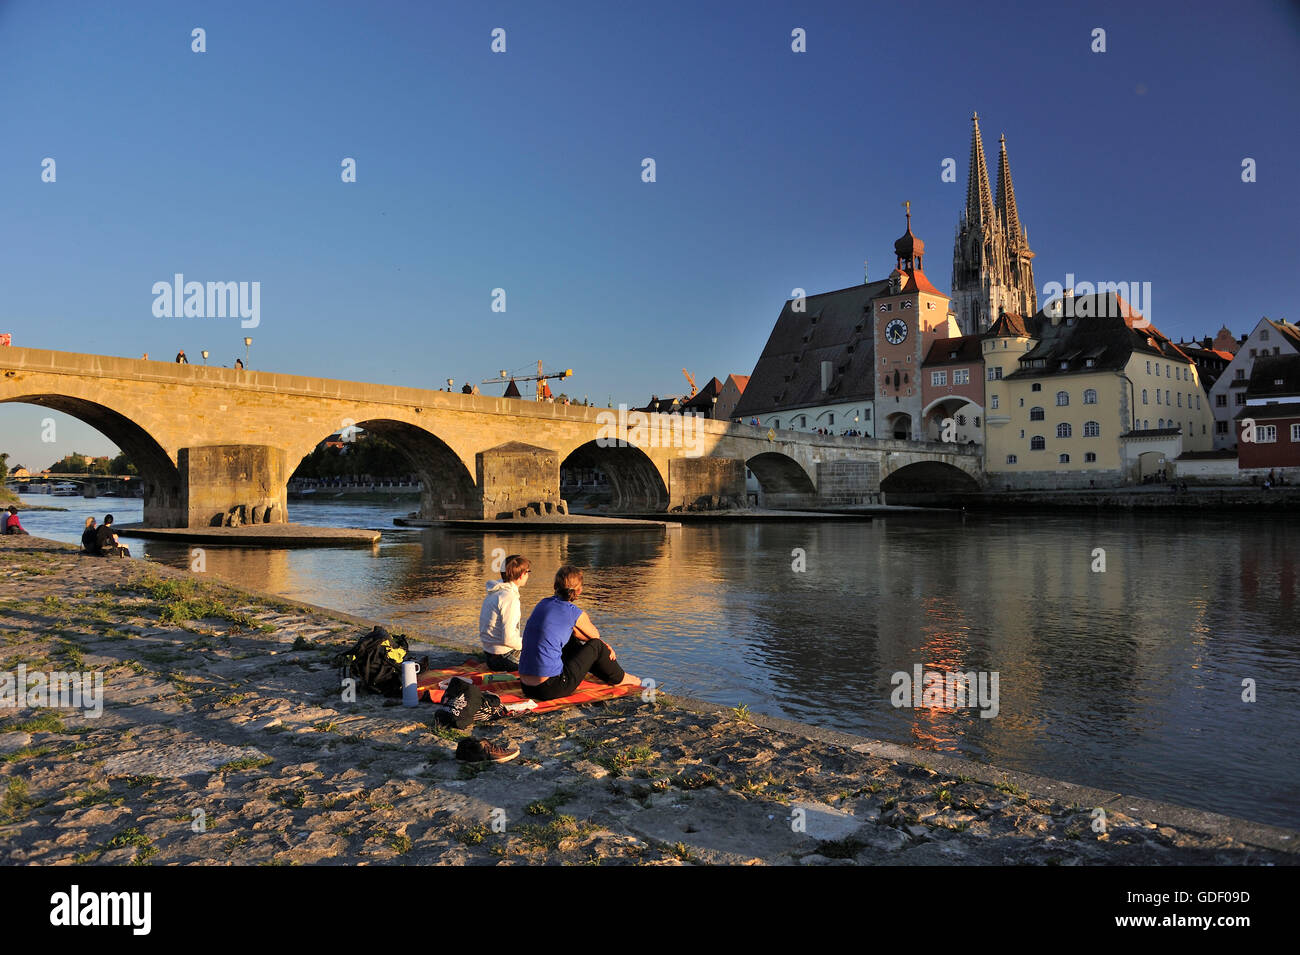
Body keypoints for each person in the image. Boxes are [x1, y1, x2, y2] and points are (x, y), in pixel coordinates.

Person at [518, 566, 639, 702]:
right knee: (597, 646)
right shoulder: (573, 612)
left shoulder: (542, 604)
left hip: (526, 686)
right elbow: (595, 637)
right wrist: (605, 646)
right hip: (550, 688)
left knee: (568, 639)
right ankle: (622, 679)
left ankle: (613, 676)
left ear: (555, 586)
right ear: (579, 591)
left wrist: (574, 630)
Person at [479, 554, 530, 671]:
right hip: (504, 658)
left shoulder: (495, 592)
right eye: (528, 572)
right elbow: (509, 639)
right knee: (546, 659)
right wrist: (529, 644)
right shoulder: (509, 598)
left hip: (490, 655)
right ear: (522, 574)